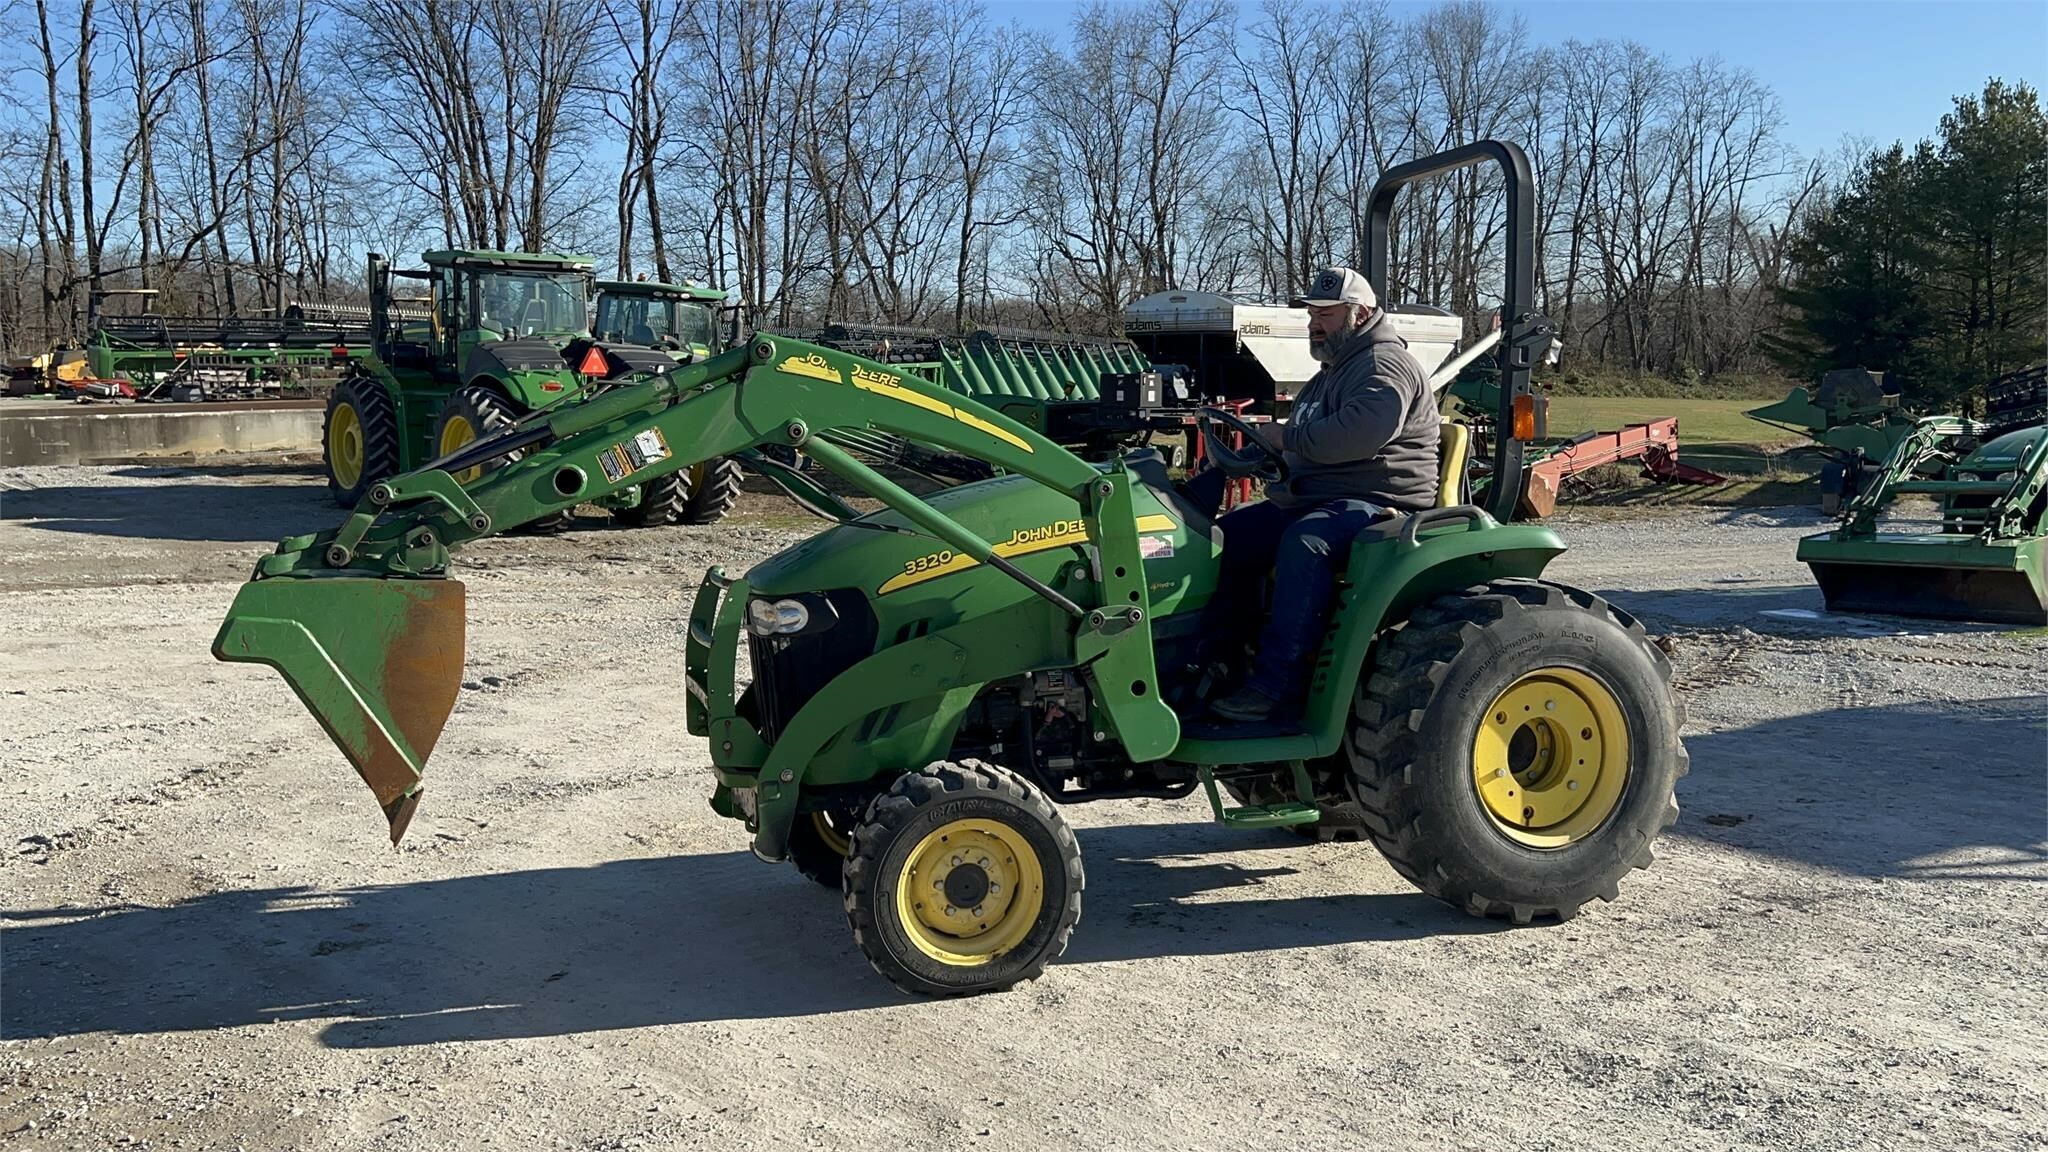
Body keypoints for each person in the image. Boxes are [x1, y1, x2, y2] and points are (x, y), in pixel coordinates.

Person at [1188, 266, 1440, 723]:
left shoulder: (1383, 364)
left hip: (1380, 500)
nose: (1314, 322)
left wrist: (1285, 438)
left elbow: (1358, 435)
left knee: (1306, 543)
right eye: (1312, 313)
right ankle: (1216, 660)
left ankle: (1278, 686)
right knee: (1224, 538)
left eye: (1326, 313)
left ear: (1359, 314)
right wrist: (1238, 459)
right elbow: (1299, 438)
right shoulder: (1333, 372)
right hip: (1321, 494)